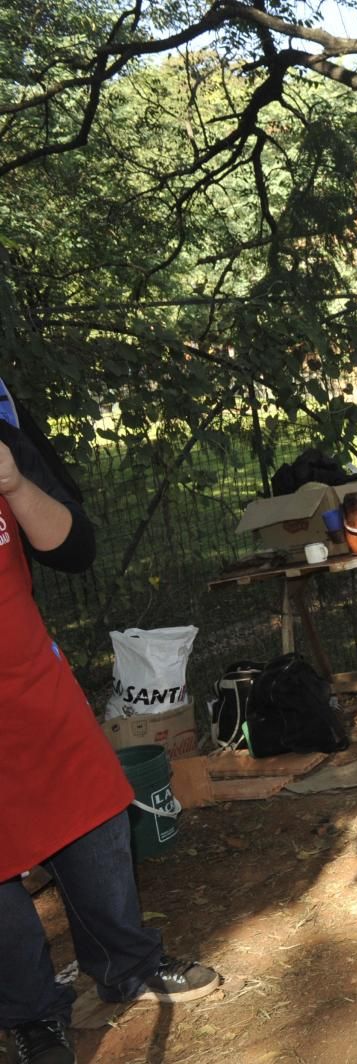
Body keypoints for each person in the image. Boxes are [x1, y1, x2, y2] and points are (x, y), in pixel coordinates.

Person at [1, 408, 220, 1064]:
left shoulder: (3, 435)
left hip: (31, 682)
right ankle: (31, 1015)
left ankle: (127, 965)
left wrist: (14, 484)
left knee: (95, 821)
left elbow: (75, 549)